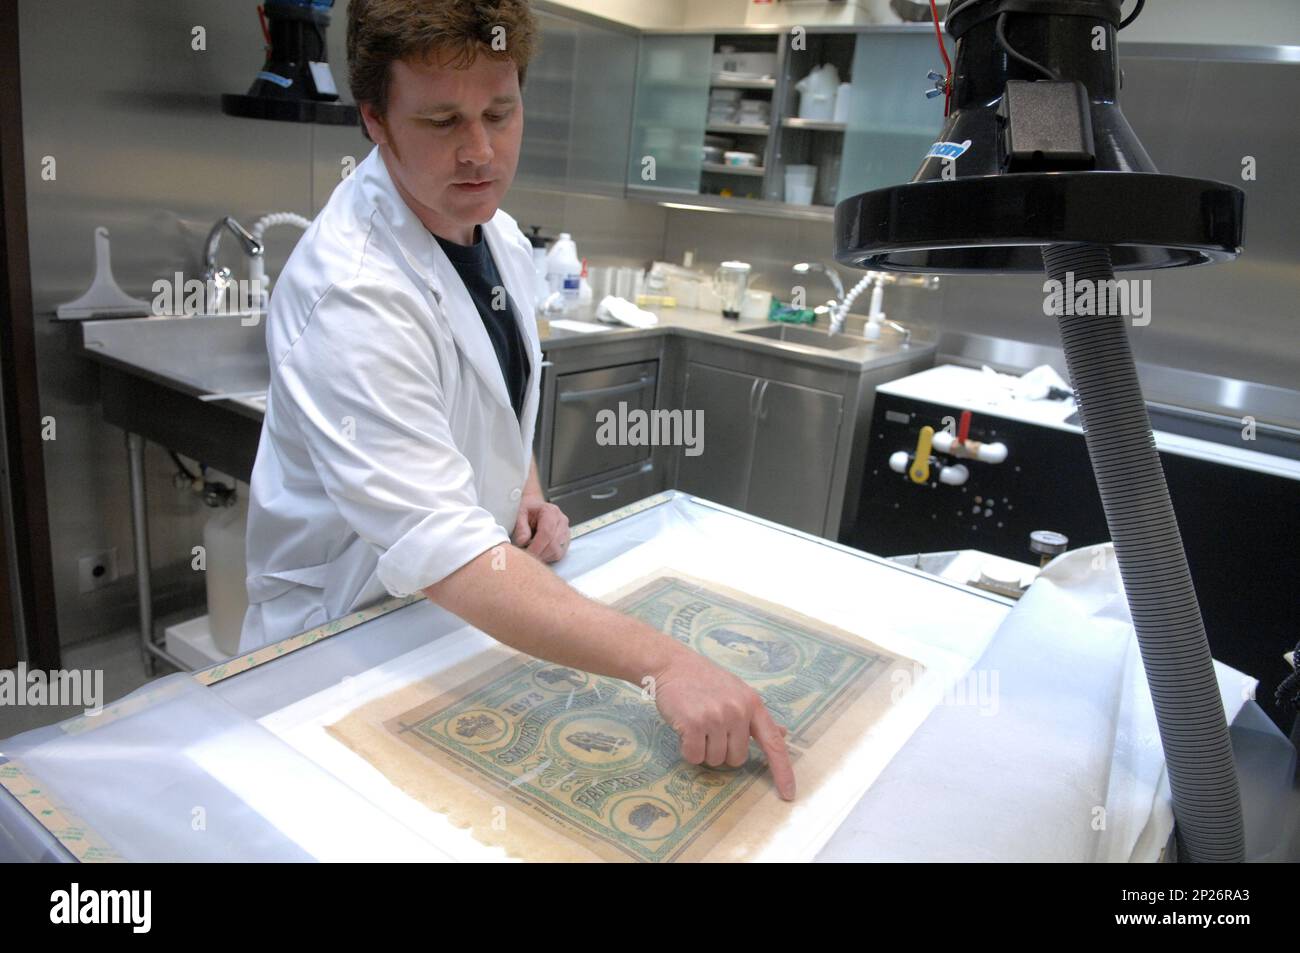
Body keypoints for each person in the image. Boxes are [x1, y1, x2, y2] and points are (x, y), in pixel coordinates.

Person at [242, 0, 794, 799]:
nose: (479, 152)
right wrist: (667, 661)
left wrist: (524, 491)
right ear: (375, 120)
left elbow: (494, 403)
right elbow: (442, 546)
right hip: (339, 638)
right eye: (440, 121)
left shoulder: (492, 234)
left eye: (500, 113)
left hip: (444, 624)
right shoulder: (351, 291)